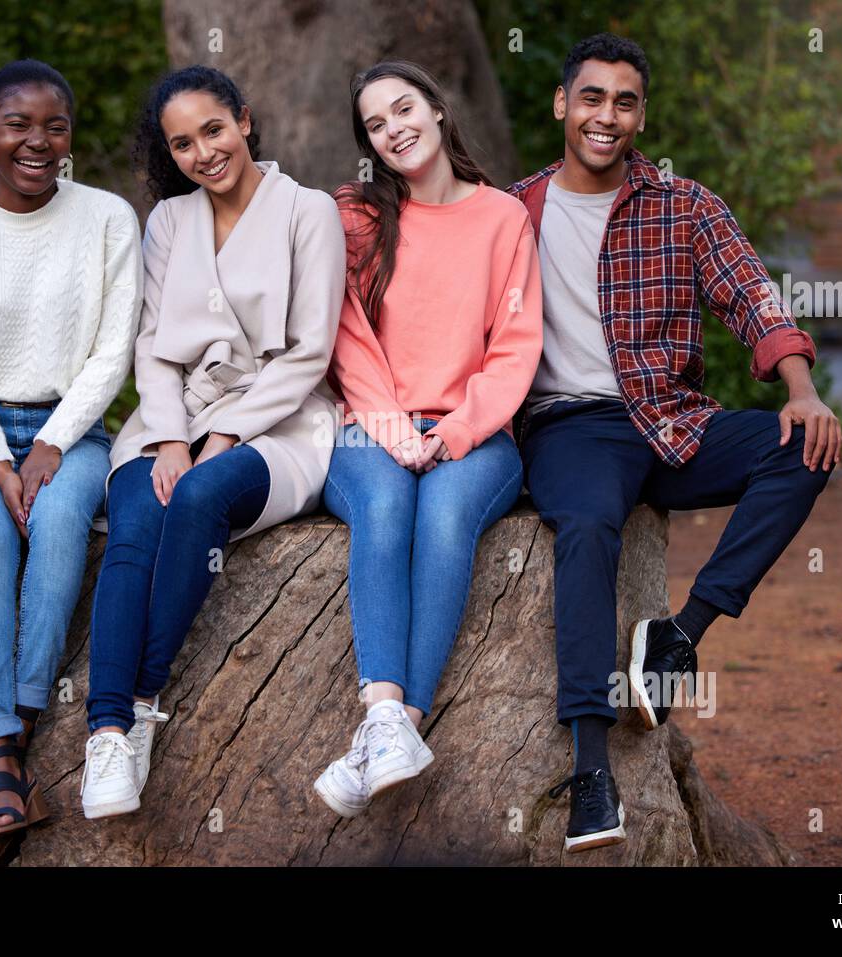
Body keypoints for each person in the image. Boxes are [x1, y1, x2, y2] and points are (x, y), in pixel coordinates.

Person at [507, 33, 841, 851]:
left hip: (671, 419)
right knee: (584, 529)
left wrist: (802, 390)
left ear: (641, 114)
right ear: (562, 105)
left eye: (624, 102)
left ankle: (681, 635)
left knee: (802, 448)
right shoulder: (513, 211)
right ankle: (592, 770)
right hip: (573, 427)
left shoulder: (684, 204)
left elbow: (754, 296)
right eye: (591, 97)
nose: (606, 116)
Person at [80, 65, 346, 819]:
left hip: (279, 419)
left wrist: (225, 432)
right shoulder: (169, 221)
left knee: (199, 496)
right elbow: (154, 347)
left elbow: (309, 350)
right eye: (183, 143)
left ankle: (138, 700)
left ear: (245, 121)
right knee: (136, 517)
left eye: (214, 130)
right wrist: (167, 436)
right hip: (176, 413)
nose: (204, 152)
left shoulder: (308, 211)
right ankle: (104, 734)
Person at [0, 59, 141, 838]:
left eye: (55, 125)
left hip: (71, 429)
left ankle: (17, 732)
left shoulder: (108, 218)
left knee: (62, 522)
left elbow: (114, 351)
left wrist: (49, 443)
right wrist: (0, 460)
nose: (37, 141)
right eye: (18, 124)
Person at [313, 61, 543, 819]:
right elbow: (343, 332)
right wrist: (387, 425)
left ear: (439, 111)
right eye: (375, 124)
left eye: (403, 109)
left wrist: (450, 434)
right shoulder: (357, 215)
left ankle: (396, 729)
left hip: (474, 431)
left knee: (443, 520)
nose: (393, 129)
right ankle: (386, 713)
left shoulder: (504, 219)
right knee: (383, 510)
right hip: (367, 429)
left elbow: (515, 345)